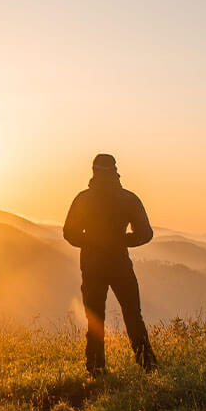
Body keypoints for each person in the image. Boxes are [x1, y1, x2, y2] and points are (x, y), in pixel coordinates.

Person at [63, 154, 157, 374]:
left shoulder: (83, 199)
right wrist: (121, 240)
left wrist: (91, 242)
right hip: (120, 264)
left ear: (94, 171)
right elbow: (146, 234)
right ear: (115, 171)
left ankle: (96, 368)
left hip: (92, 265)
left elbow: (69, 233)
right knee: (133, 314)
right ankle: (148, 365)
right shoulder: (128, 198)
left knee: (95, 318)